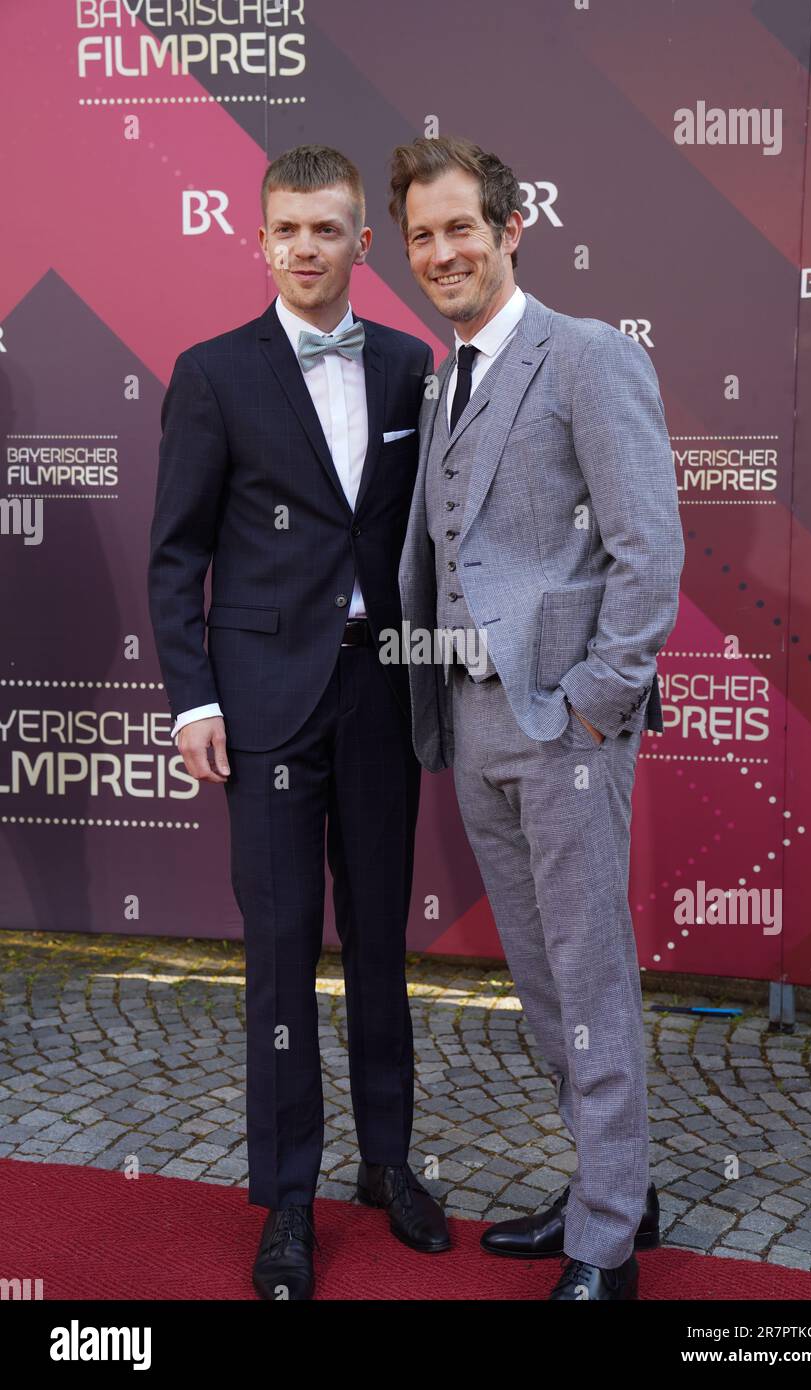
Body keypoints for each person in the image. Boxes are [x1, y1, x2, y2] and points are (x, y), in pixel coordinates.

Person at [148, 144, 448, 1302]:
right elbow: (177, 553)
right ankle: (285, 1200)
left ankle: (386, 1162)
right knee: (279, 958)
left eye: (329, 230)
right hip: (263, 706)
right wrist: (194, 698)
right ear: (261, 240)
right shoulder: (213, 373)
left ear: (362, 244)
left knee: (380, 936)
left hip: (379, 694)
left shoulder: (411, 367)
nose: (308, 249)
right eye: (289, 231)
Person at [389, 135, 684, 1302]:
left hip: (562, 724)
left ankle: (605, 1242)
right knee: (541, 976)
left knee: (589, 968)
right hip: (469, 721)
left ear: (510, 228)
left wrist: (595, 709)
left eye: (461, 226)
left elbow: (646, 550)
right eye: (420, 234)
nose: (442, 250)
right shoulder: (441, 373)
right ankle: (619, 1185)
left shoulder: (585, 356)